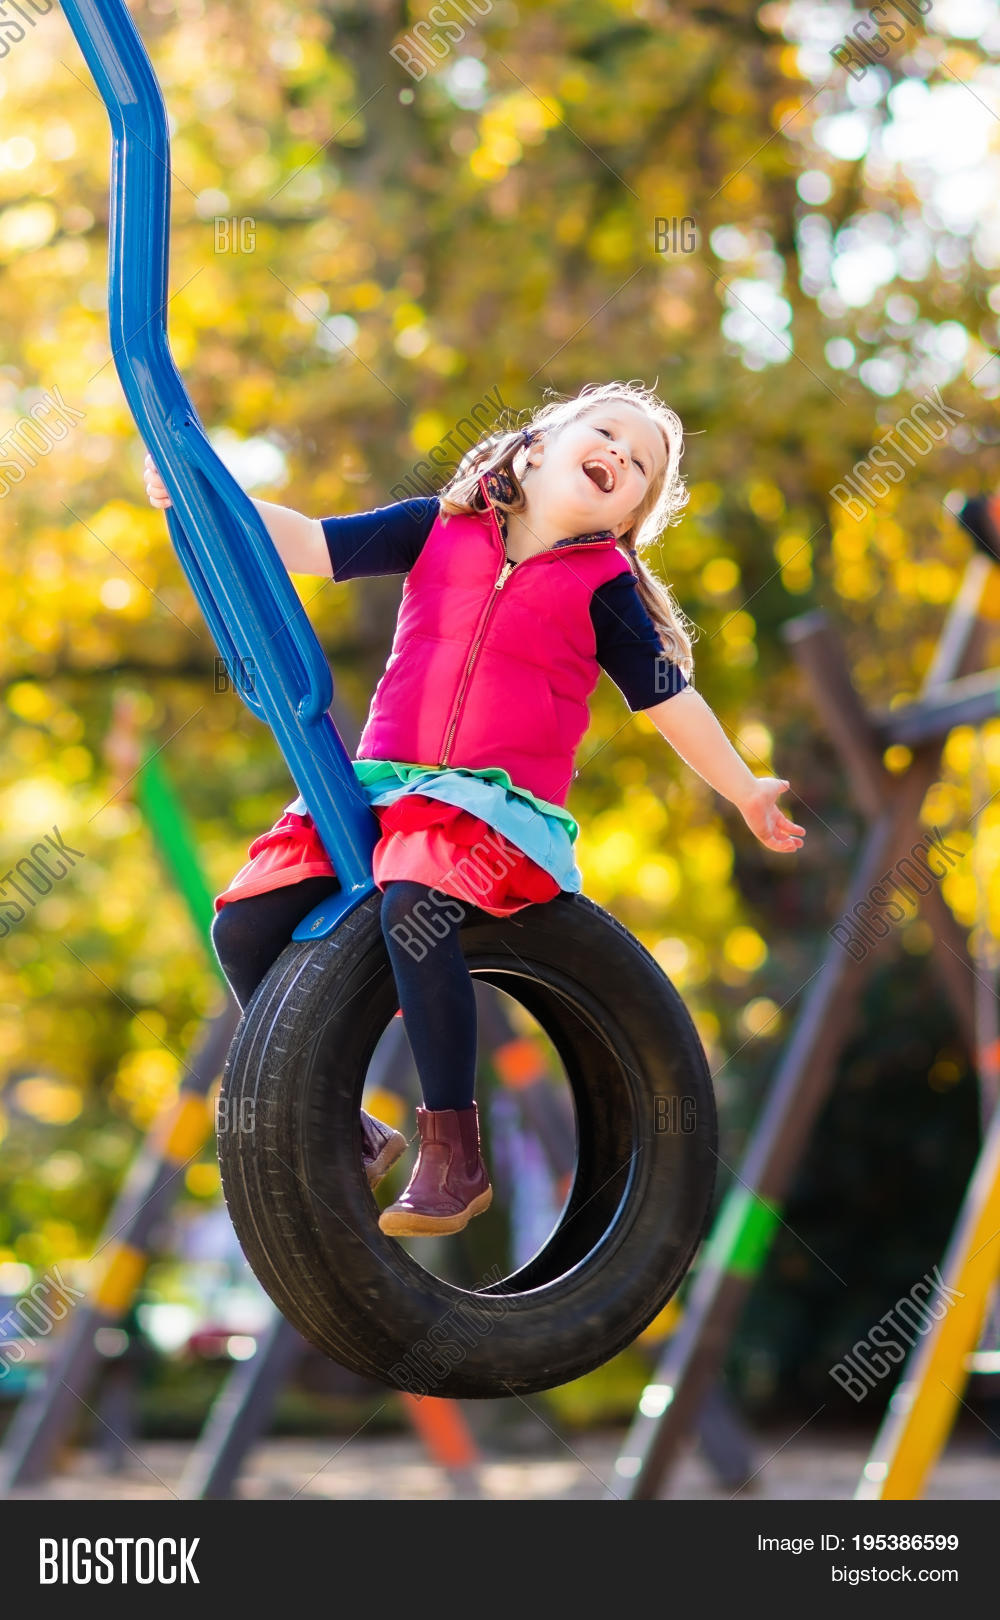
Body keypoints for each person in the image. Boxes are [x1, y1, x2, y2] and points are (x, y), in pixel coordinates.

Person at [144, 380, 805, 1238]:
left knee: (413, 905)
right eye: (608, 434)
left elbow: (667, 701)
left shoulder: (602, 585)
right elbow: (308, 543)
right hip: (382, 785)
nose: (623, 457)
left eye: (642, 464)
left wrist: (745, 787)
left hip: (494, 808)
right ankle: (352, 1125)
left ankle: (453, 1152)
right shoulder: (438, 527)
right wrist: (208, 497)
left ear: (632, 512)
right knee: (242, 925)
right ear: (535, 447)